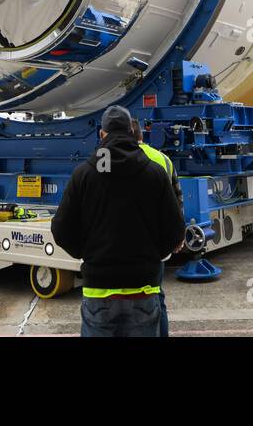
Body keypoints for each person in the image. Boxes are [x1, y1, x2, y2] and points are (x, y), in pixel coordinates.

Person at [51, 106, 185, 337]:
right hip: (144, 288)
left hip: (98, 290)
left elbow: (61, 230)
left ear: (102, 134)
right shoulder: (155, 173)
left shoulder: (83, 174)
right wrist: (154, 254)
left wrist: (87, 254)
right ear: (132, 133)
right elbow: (175, 231)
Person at [132, 118, 182, 337]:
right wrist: (177, 237)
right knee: (156, 296)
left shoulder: (115, 160)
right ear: (143, 135)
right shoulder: (163, 159)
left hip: (127, 242)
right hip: (157, 242)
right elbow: (177, 200)